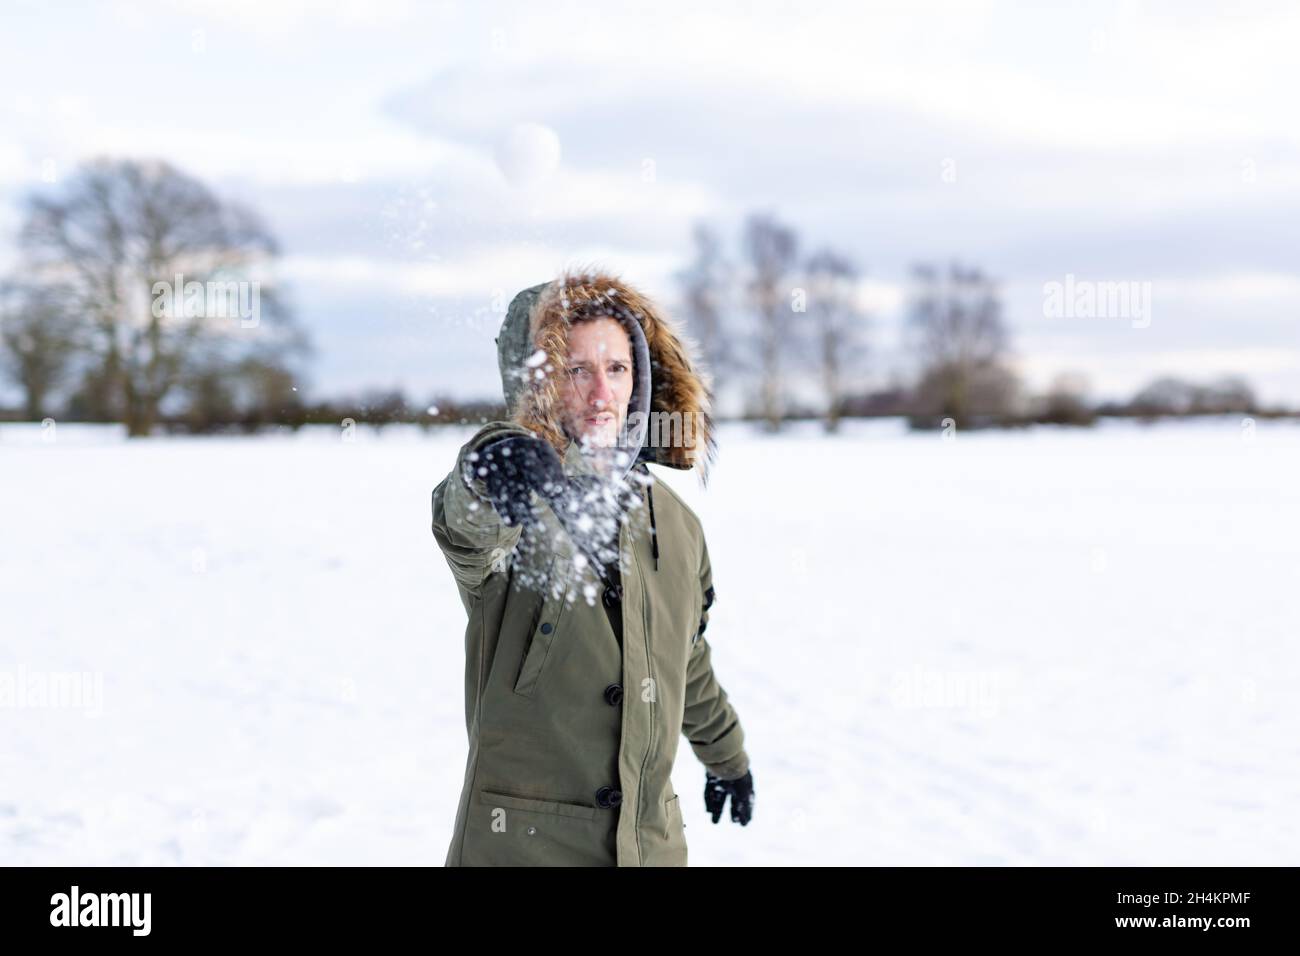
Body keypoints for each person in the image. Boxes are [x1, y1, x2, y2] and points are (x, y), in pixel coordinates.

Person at [432, 267, 754, 866]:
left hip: (650, 846)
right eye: (576, 370)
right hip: (523, 849)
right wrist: (487, 467)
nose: (601, 393)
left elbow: (687, 657)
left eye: (616, 369)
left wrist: (727, 755)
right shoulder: (516, 500)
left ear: (642, 381)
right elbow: (466, 529)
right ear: (542, 382)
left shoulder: (678, 526)